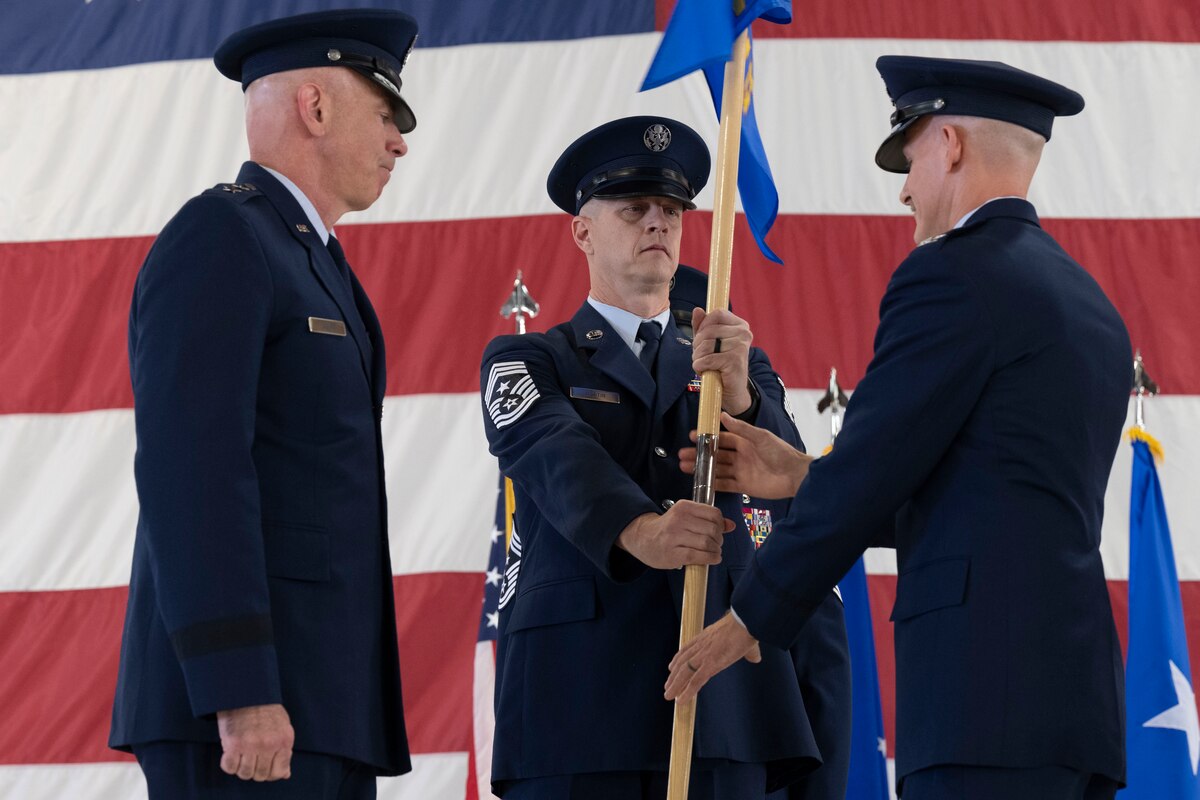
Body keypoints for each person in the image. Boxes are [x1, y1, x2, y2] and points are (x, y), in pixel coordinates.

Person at [664, 56, 1131, 800]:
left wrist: (752, 614)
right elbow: (987, 491)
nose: (907, 191)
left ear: (948, 144)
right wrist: (802, 476)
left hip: (979, 700)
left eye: (908, 162)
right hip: (1069, 709)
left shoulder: (952, 275)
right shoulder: (1090, 306)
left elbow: (872, 469)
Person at [479, 115, 848, 799]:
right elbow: (558, 457)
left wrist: (740, 396)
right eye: (634, 208)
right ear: (582, 230)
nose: (658, 222)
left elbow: (792, 488)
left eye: (672, 210)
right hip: (578, 707)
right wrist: (643, 531)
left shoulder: (737, 364)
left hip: (723, 709)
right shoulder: (528, 360)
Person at [109, 9, 419, 798]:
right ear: (315, 108)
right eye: (386, 114)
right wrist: (239, 687)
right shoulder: (223, 235)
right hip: (245, 716)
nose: (399, 142)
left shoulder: (309, 259)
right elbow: (193, 474)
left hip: (319, 704)